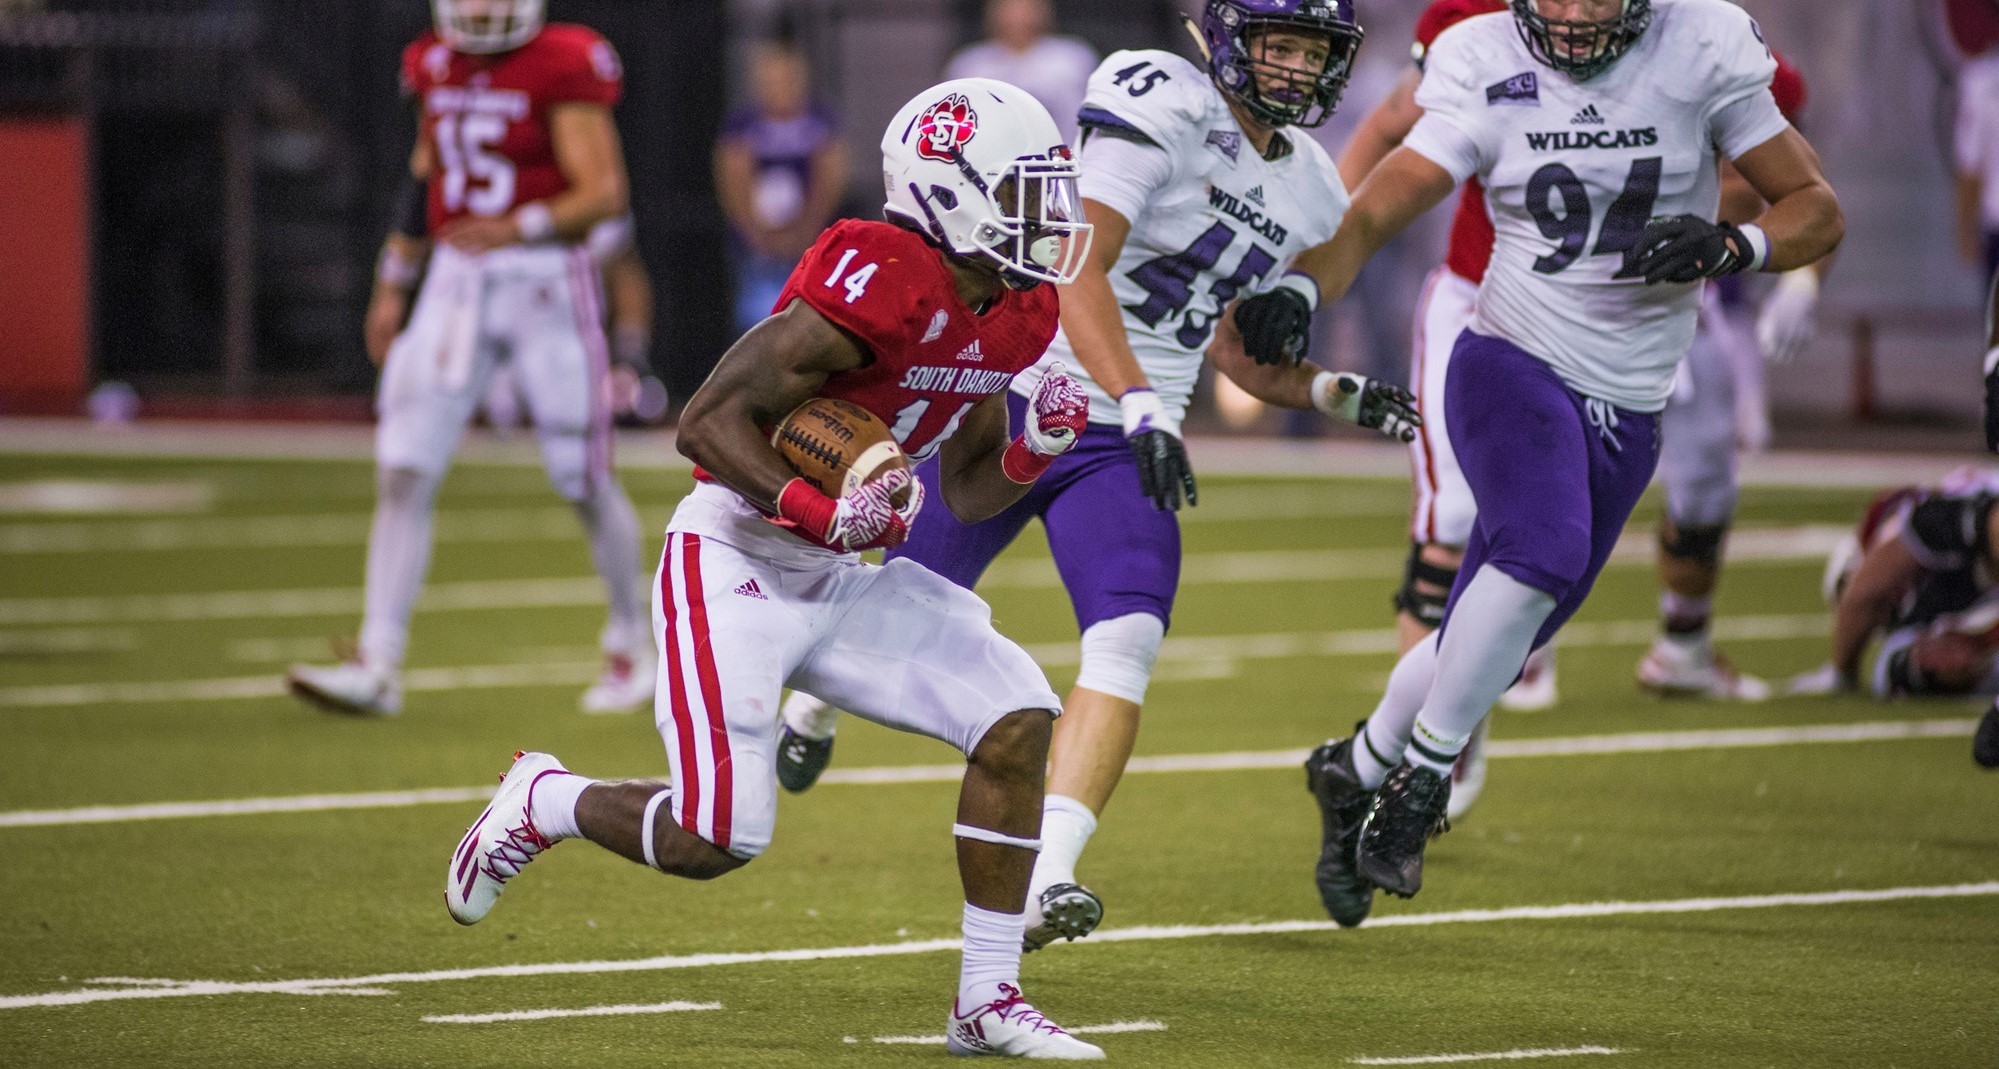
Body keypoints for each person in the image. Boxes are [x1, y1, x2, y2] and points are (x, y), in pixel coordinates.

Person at [443, 78, 1110, 1059]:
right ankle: (545, 799)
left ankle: (984, 997)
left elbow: (966, 490)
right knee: (716, 835)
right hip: (740, 552)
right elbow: (707, 419)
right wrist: (815, 508)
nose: (1045, 220)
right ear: (950, 193)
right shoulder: (882, 272)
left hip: (845, 572)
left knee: (1015, 716)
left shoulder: (1016, 308)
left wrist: (1031, 449)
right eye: (1022, 194)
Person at [775, 0, 1417, 955]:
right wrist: (1144, 396)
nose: (1293, 67)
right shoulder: (1159, 99)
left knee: (1126, 643)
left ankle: (1048, 872)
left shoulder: (1312, 190)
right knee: (901, 587)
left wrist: (1331, 392)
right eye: (1278, 43)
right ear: (1232, 40)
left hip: (1124, 436)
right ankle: (807, 701)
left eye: (1311, 51)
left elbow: (1233, 351)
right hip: (1023, 390)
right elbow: (1077, 265)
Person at [1224, 0, 1842, 925]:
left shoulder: (1702, 43)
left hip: (1630, 393)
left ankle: (1349, 768)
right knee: (1539, 549)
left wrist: (1734, 243)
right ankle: (1421, 780)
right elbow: (1384, 202)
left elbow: (1816, 206)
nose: (1570, 12)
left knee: (1500, 633)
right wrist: (1307, 283)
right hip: (1508, 353)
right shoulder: (1480, 55)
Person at [288, 0, 653, 716]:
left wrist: (520, 224)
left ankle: (630, 644)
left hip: (544, 275)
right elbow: (424, 177)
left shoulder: (564, 60)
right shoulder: (432, 58)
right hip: (456, 278)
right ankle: (378, 661)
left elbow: (604, 193)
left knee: (580, 474)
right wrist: (394, 279)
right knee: (403, 462)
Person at [1329, 0, 1534, 826]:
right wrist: (1318, 235)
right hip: (1478, 297)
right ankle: (1421, 747)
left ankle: (1447, 715)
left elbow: (1756, 162)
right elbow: (1391, 122)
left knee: (1541, 541)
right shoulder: (1470, 20)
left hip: (1604, 324)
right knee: (1452, 511)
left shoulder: (1680, 34)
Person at [1634, 51, 1821, 703]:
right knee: (1552, 481)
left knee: (1707, 485)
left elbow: (1807, 199)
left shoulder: (1747, 73)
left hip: (1690, 312)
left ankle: (1681, 647)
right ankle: (1519, 655)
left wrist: (1799, 280)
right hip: (1575, 306)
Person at [1793, 468, 1999, 707]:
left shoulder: (1931, 520)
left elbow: (1864, 595)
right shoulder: (1909, 633)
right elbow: (1933, 661)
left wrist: (1841, 670)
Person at [715, 39, 847, 337]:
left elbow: (831, 176)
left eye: (787, 78)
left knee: (811, 321)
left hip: (811, 245)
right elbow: (731, 178)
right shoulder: (743, 125)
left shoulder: (820, 122)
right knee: (759, 325)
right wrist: (757, 234)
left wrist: (805, 232)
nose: (779, 87)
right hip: (756, 250)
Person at [945, 0, 1099, 146]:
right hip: (991, 163)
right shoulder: (970, 63)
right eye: (1010, 7)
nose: (1018, 15)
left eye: (1027, 7)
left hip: (1064, 158)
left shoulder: (1073, 57)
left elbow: (1092, 116)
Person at [1957, 42, 1999, 289]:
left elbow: (1970, 165)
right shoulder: (1981, 82)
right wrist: (1965, 228)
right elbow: (1970, 165)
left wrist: (1964, 228)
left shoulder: (1981, 81)